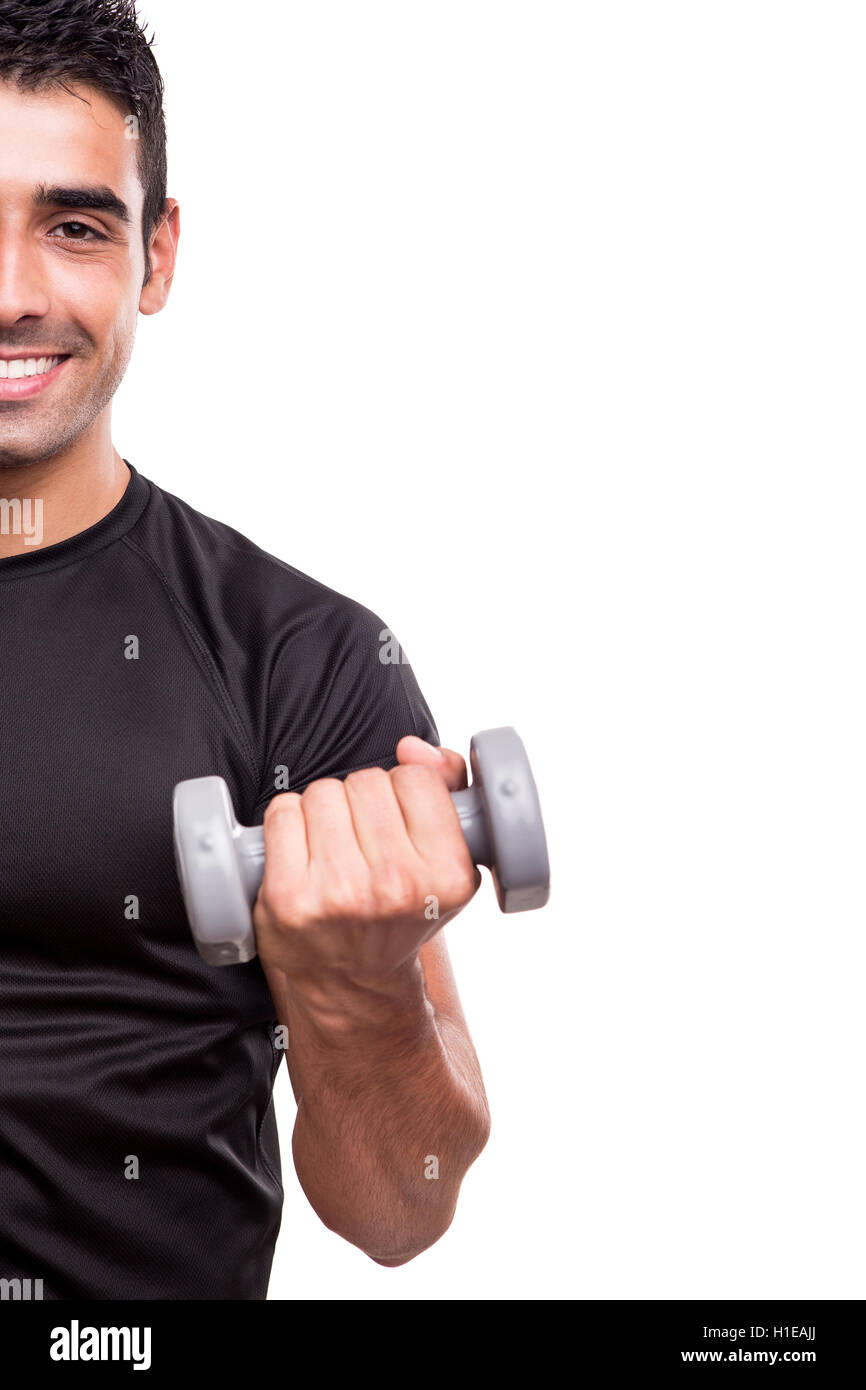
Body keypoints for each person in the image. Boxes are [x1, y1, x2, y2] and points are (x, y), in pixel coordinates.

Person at [0, 0, 489, 1300]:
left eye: (75, 224)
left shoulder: (303, 661)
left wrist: (351, 990)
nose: (12, 293)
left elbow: (403, 1208)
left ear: (157, 254)